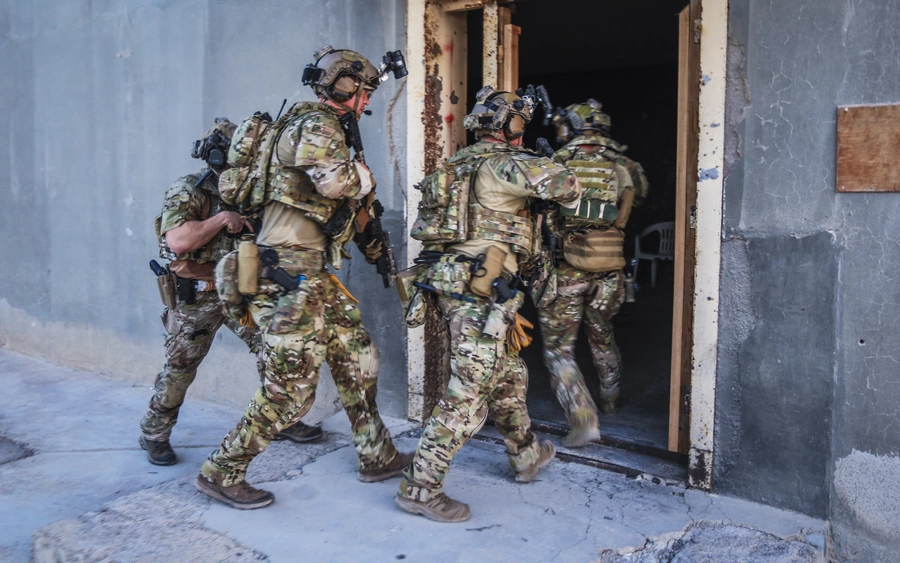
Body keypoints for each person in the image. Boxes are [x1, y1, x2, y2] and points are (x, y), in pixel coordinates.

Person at [196, 47, 410, 510]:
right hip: (284, 273)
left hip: (309, 272)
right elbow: (334, 183)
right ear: (347, 86)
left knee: (357, 357)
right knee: (291, 390)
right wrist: (364, 177)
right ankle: (221, 471)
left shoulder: (317, 126)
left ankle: (378, 454)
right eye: (366, 90)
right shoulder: (315, 125)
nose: (367, 101)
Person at [396, 86, 581, 523]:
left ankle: (526, 455)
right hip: (482, 292)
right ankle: (420, 488)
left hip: (453, 284)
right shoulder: (506, 164)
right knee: (468, 390)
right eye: (521, 123)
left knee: (509, 373)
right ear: (513, 125)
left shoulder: (458, 163)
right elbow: (568, 188)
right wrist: (549, 157)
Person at [139, 118, 321, 467]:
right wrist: (222, 220)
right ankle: (154, 434)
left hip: (241, 290)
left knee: (276, 351)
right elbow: (176, 242)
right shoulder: (189, 189)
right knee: (180, 367)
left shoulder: (250, 192)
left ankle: (280, 419)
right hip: (198, 294)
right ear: (219, 157)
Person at [539, 100, 649, 447]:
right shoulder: (626, 164)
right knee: (602, 335)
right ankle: (610, 399)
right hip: (610, 273)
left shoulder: (558, 162)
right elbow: (640, 198)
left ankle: (584, 418)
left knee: (560, 349)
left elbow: (538, 207)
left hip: (567, 270)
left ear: (572, 126)